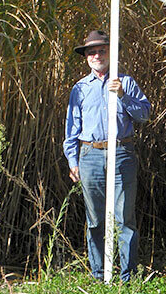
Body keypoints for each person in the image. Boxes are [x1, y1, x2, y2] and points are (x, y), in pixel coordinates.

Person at [63, 29, 151, 282]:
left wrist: (122, 95)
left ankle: (128, 275)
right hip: (90, 155)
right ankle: (99, 273)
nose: (97, 55)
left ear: (110, 53)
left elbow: (144, 115)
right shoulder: (79, 89)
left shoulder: (127, 82)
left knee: (125, 218)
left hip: (121, 152)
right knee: (95, 220)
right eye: (92, 52)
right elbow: (72, 128)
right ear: (87, 58)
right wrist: (73, 161)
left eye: (102, 50)